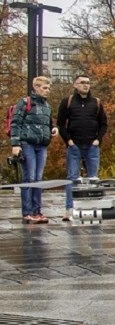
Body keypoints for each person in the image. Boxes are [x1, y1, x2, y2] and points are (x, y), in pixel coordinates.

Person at [57, 74, 108, 221]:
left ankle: (93, 209)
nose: (86, 85)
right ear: (75, 85)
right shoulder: (68, 102)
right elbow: (61, 124)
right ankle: (69, 209)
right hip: (74, 145)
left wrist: (98, 140)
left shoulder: (96, 103)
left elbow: (103, 123)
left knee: (93, 179)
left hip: (92, 145)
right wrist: (69, 141)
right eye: (82, 82)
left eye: (88, 82)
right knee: (72, 178)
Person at [10, 76, 58, 224]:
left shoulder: (47, 106)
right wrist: (15, 144)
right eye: (44, 88)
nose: (47, 91)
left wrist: (53, 129)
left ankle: (37, 211)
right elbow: (16, 123)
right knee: (29, 178)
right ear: (36, 88)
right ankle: (28, 212)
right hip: (27, 143)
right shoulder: (25, 103)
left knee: (38, 179)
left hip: (42, 144)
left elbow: (48, 123)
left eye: (48, 88)